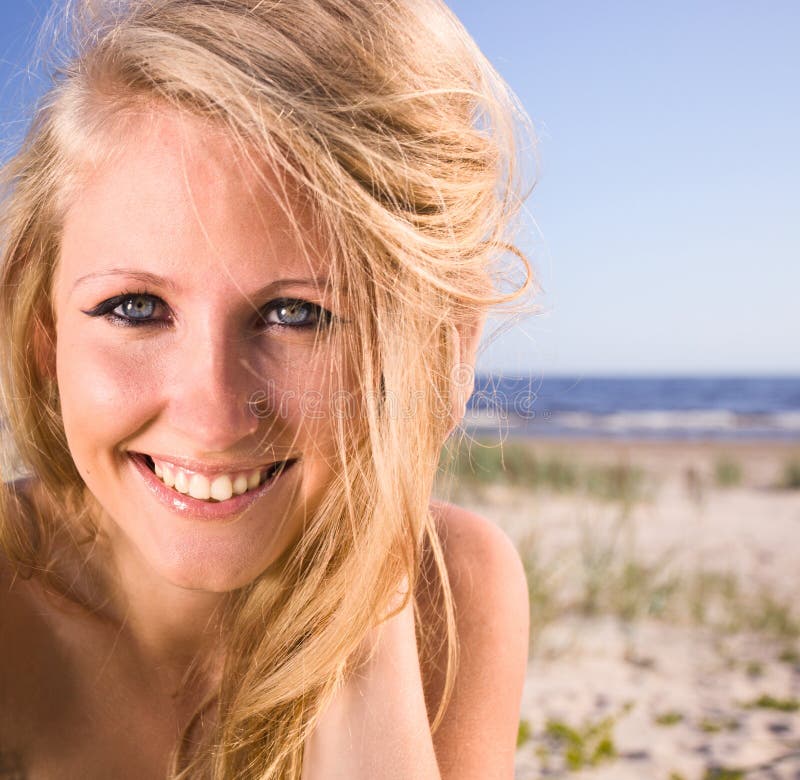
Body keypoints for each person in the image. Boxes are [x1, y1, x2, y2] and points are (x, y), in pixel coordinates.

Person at [0, 0, 532, 777]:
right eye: (135, 309)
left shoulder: (454, 589)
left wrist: (362, 588)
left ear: (437, 343)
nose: (213, 418)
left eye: (296, 314)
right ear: (43, 331)